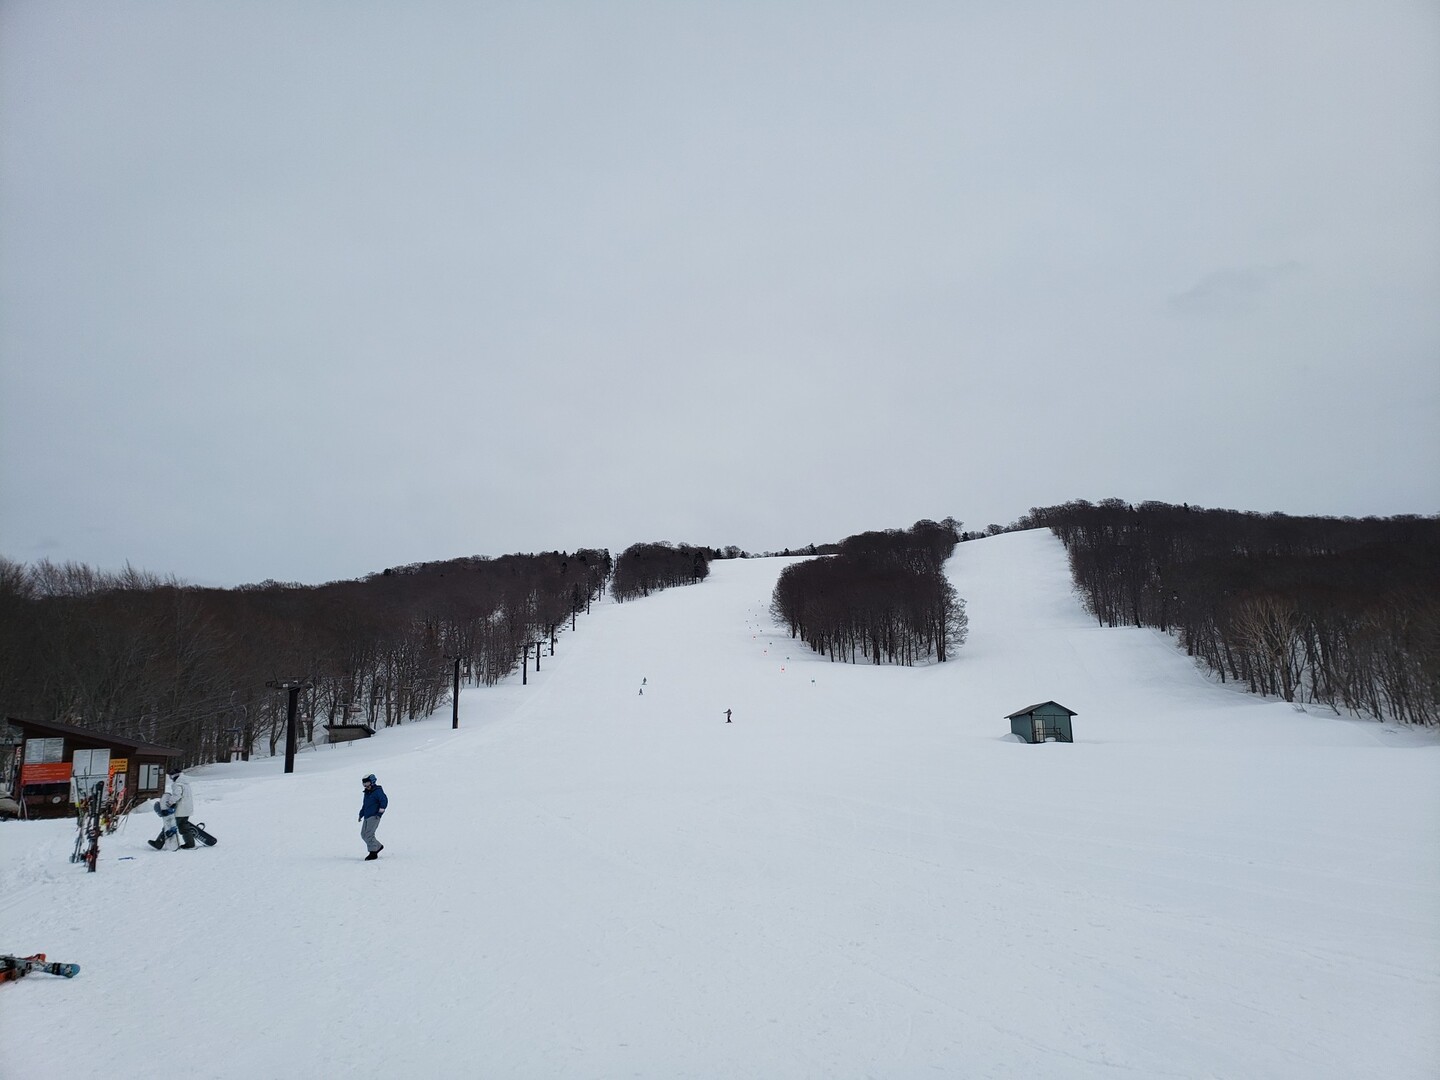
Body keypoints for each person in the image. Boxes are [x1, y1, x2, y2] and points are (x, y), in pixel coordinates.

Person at [148, 766, 196, 849]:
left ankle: (158, 843)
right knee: (183, 826)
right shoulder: (185, 783)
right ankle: (190, 843)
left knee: (169, 825)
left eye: (171, 776)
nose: (170, 778)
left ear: (175, 775)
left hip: (180, 810)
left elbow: (177, 795)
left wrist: (170, 803)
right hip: (187, 809)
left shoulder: (177, 784)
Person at [359, 773, 388, 860]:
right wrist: (361, 813)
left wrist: (380, 813)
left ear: (372, 782)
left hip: (374, 816)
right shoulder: (367, 793)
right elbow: (365, 804)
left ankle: (373, 853)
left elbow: (384, 801)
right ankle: (378, 846)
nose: (365, 785)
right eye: (364, 783)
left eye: (367, 783)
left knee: (369, 834)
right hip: (367, 816)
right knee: (363, 834)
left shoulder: (377, 791)